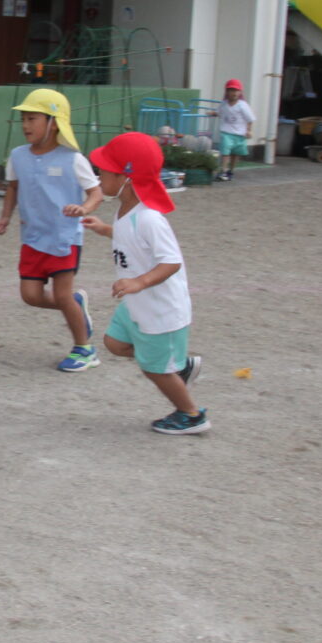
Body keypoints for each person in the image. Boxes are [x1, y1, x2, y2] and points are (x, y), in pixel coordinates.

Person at [80, 131, 207, 435]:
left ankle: (190, 414)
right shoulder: (126, 210)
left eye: (104, 171)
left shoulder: (150, 218)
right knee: (114, 343)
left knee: (153, 368)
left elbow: (171, 260)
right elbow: (131, 240)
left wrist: (140, 281)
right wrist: (105, 230)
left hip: (160, 311)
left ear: (126, 177)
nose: (98, 176)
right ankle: (177, 368)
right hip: (138, 304)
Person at [0, 89, 105, 372]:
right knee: (30, 295)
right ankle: (76, 308)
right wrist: (5, 216)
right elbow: (13, 188)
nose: (26, 125)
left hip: (64, 239)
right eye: (23, 119)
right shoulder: (18, 156)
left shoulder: (73, 159)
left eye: (32, 119)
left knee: (63, 294)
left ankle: (85, 349)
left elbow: (96, 192)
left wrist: (85, 208)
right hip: (32, 239)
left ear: (53, 122)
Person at [217, 78, 255, 181]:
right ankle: (223, 170)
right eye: (230, 90)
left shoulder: (243, 105)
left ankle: (231, 171)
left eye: (236, 90)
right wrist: (213, 113)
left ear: (240, 92)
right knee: (225, 152)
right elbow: (219, 112)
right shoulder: (224, 104)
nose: (233, 93)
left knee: (235, 154)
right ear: (226, 92)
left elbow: (250, 119)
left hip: (239, 133)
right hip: (226, 132)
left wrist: (249, 130)